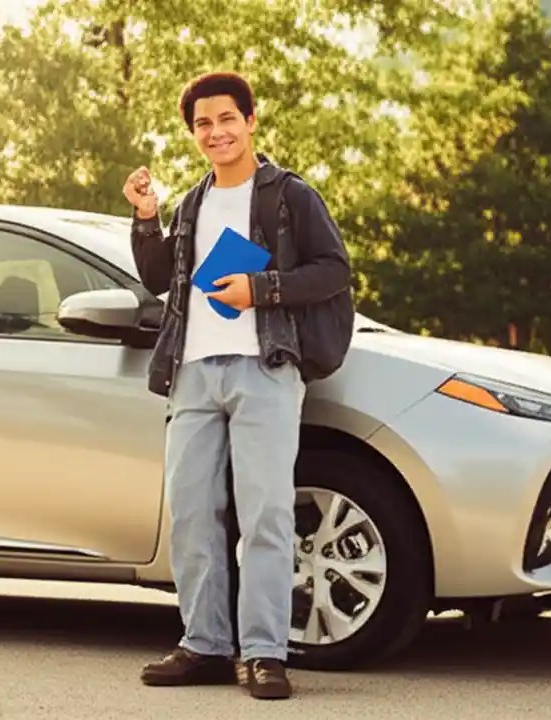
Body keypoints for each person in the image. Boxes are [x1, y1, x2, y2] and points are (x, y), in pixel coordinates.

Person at [123, 71, 352, 700]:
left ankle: (264, 652)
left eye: (227, 119)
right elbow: (159, 279)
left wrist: (262, 288)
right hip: (193, 372)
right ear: (193, 133)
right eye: (203, 124)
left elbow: (333, 270)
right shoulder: (193, 202)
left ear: (251, 121)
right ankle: (204, 643)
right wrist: (147, 216)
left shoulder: (289, 196)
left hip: (265, 367)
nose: (216, 132)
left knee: (266, 515)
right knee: (193, 515)